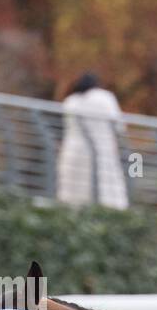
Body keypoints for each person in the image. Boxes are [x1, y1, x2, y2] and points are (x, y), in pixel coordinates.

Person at [55, 71, 128, 209]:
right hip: (102, 151)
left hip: (72, 152)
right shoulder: (106, 98)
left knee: (73, 194)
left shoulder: (70, 101)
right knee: (105, 191)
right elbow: (119, 126)